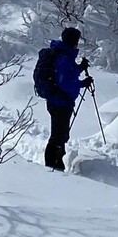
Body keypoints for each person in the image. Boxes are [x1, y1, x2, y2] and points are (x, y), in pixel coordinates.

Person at [40, 27, 93, 171]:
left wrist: (80, 68)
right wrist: (82, 83)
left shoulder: (64, 54)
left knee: (61, 135)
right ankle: (53, 167)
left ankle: (56, 165)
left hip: (57, 101)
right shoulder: (64, 57)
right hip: (60, 103)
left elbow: (66, 75)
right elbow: (66, 83)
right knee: (58, 137)